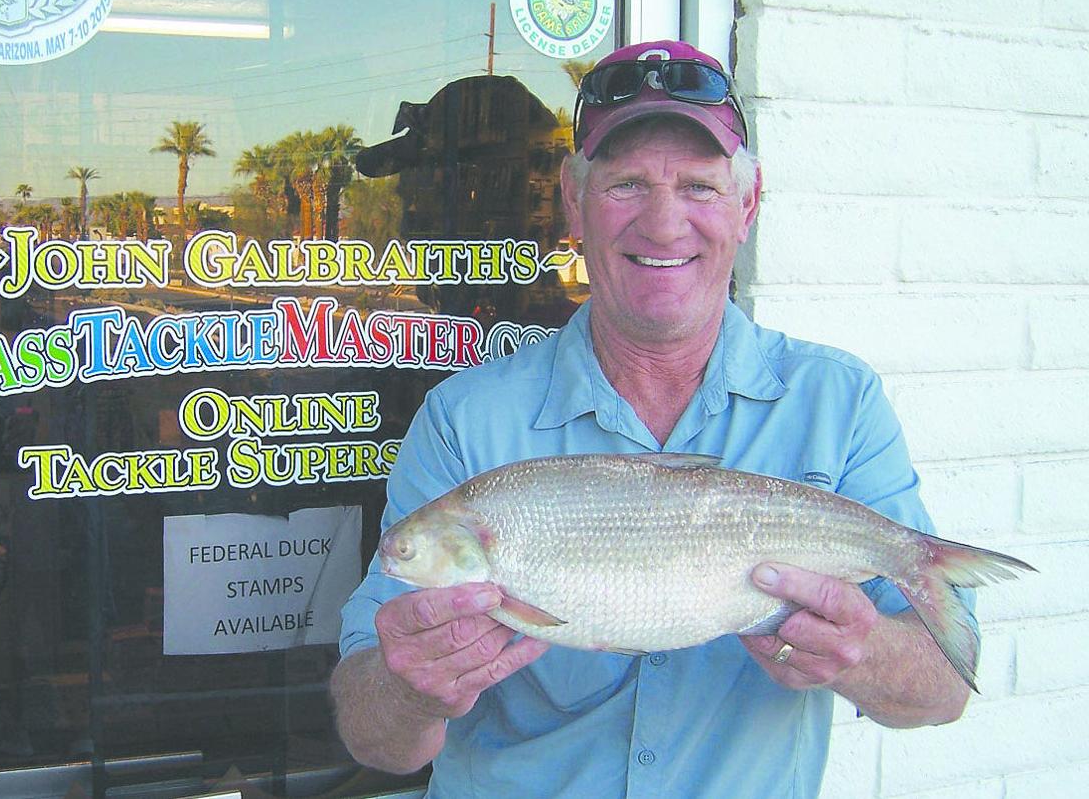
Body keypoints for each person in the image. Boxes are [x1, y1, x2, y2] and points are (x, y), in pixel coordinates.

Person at [330, 40, 975, 797]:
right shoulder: (464, 420)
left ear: (747, 207)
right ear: (574, 202)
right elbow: (372, 732)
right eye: (628, 184)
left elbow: (943, 689)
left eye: (699, 186)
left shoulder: (839, 400)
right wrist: (409, 690)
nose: (664, 225)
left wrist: (862, 652)